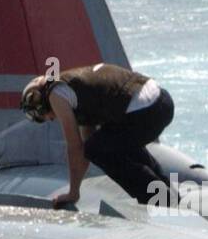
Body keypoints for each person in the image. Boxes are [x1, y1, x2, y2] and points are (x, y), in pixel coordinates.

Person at [20, 63, 175, 208]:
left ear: (41, 103)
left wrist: (73, 193)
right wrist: (76, 187)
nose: (50, 119)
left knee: (99, 148)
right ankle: (168, 195)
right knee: (108, 144)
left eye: (42, 116)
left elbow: (75, 148)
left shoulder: (55, 94)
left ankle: (156, 200)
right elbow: (86, 150)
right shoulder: (74, 89)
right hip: (161, 103)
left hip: (147, 112)